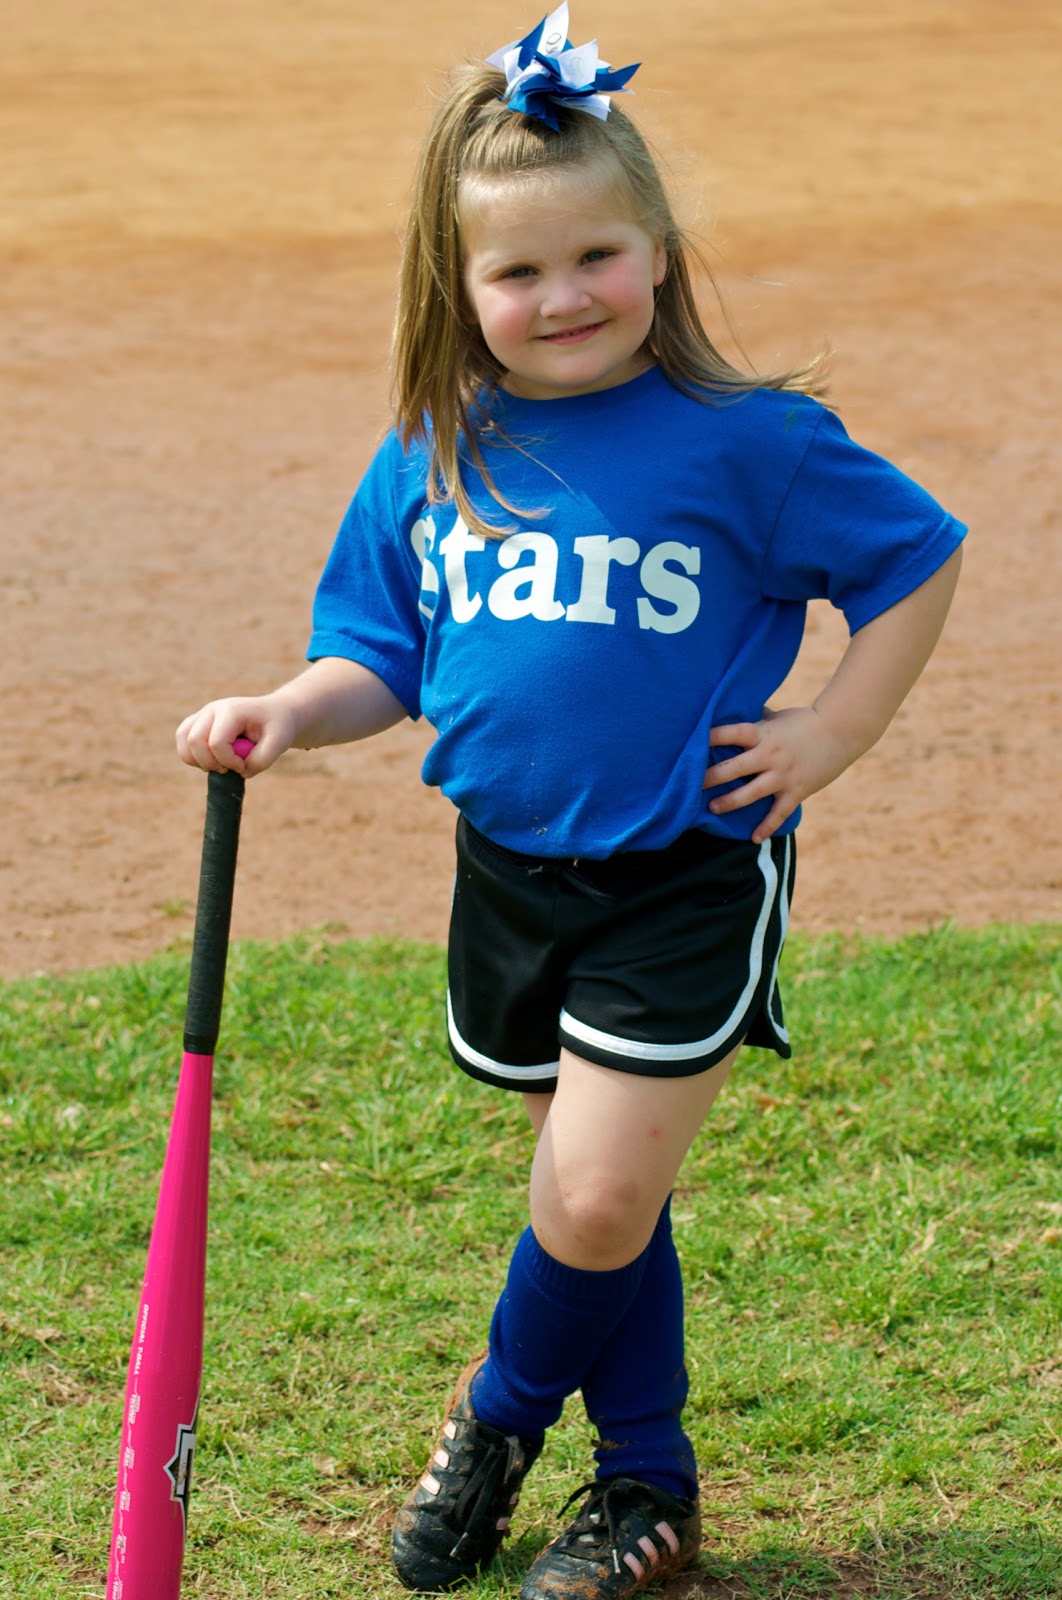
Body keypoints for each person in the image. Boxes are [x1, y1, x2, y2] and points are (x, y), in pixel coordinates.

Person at [176, 6, 965, 1596]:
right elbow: (378, 656)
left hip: (682, 869)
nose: (561, 297)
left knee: (598, 1192)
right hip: (507, 875)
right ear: (458, 289)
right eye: (517, 272)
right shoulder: (433, 451)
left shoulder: (746, 444)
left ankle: (494, 1413)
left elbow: (916, 555)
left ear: (657, 255)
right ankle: (646, 1496)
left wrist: (831, 731)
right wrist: (285, 711)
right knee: (600, 1200)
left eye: (594, 256)